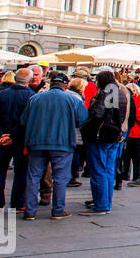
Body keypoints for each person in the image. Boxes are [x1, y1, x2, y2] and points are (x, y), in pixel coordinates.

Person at [15, 72, 87, 221]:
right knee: (60, 178)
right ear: (65, 86)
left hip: (36, 142)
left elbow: (23, 121)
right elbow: (82, 119)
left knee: (33, 176)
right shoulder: (72, 100)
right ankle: (58, 210)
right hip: (62, 143)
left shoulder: (35, 98)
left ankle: (29, 211)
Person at [0, 67, 34, 211]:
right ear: (29, 80)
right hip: (20, 139)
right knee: (21, 171)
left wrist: (1, 134)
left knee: (0, 170)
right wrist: (13, 136)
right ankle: (18, 202)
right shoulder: (31, 96)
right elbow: (26, 121)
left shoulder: (2, 94)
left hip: (2, 138)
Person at [81, 70, 128, 215]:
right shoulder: (121, 92)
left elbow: (98, 115)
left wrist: (86, 128)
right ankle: (106, 202)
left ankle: (101, 204)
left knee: (99, 170)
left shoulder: (105, 93)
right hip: (114, 134)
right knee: (108, 169)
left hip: (100, 136)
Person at [120, 81, 140, 189]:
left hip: (134, 130)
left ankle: (130, 174)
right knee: (133, 154)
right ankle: (133, 175)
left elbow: (132, 115)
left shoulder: (135, 101)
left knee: (130, 154)